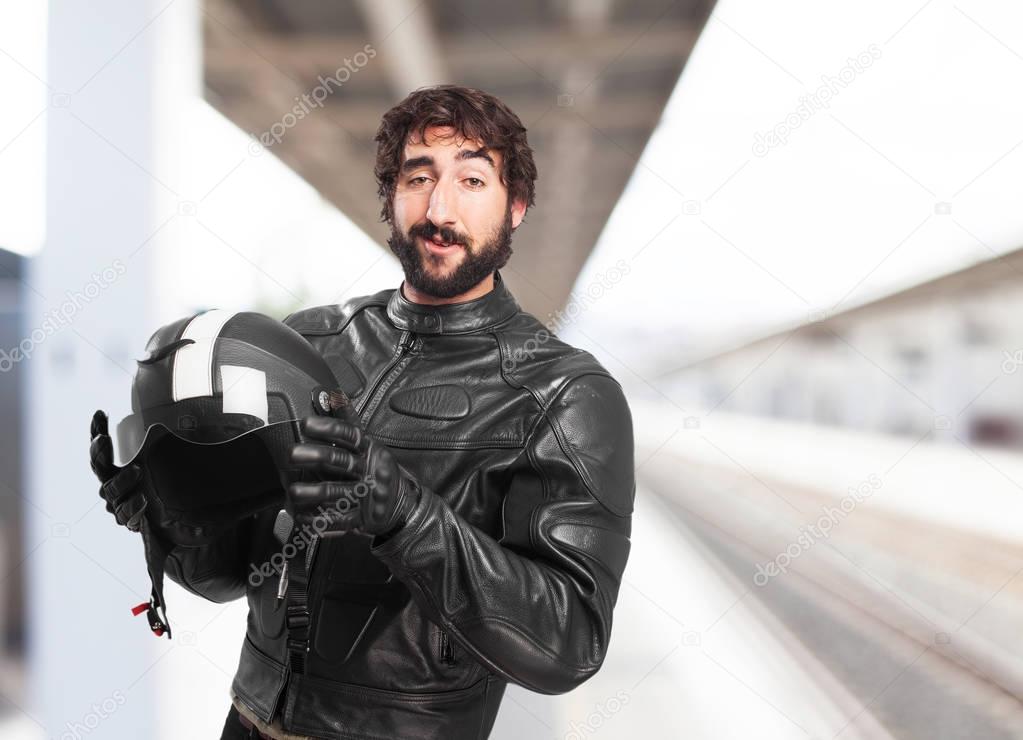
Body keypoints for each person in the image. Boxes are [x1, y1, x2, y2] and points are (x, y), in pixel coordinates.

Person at [93, 84, 636, 740]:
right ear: (391, 197)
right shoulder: (305, 342)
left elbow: (567, 642)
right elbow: (231, 575)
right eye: (418, 177)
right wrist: (171, 517)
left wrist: (405, 517)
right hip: (246, 721)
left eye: (470, 179)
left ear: (515, 205)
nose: (440, 207)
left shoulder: (563, 392)